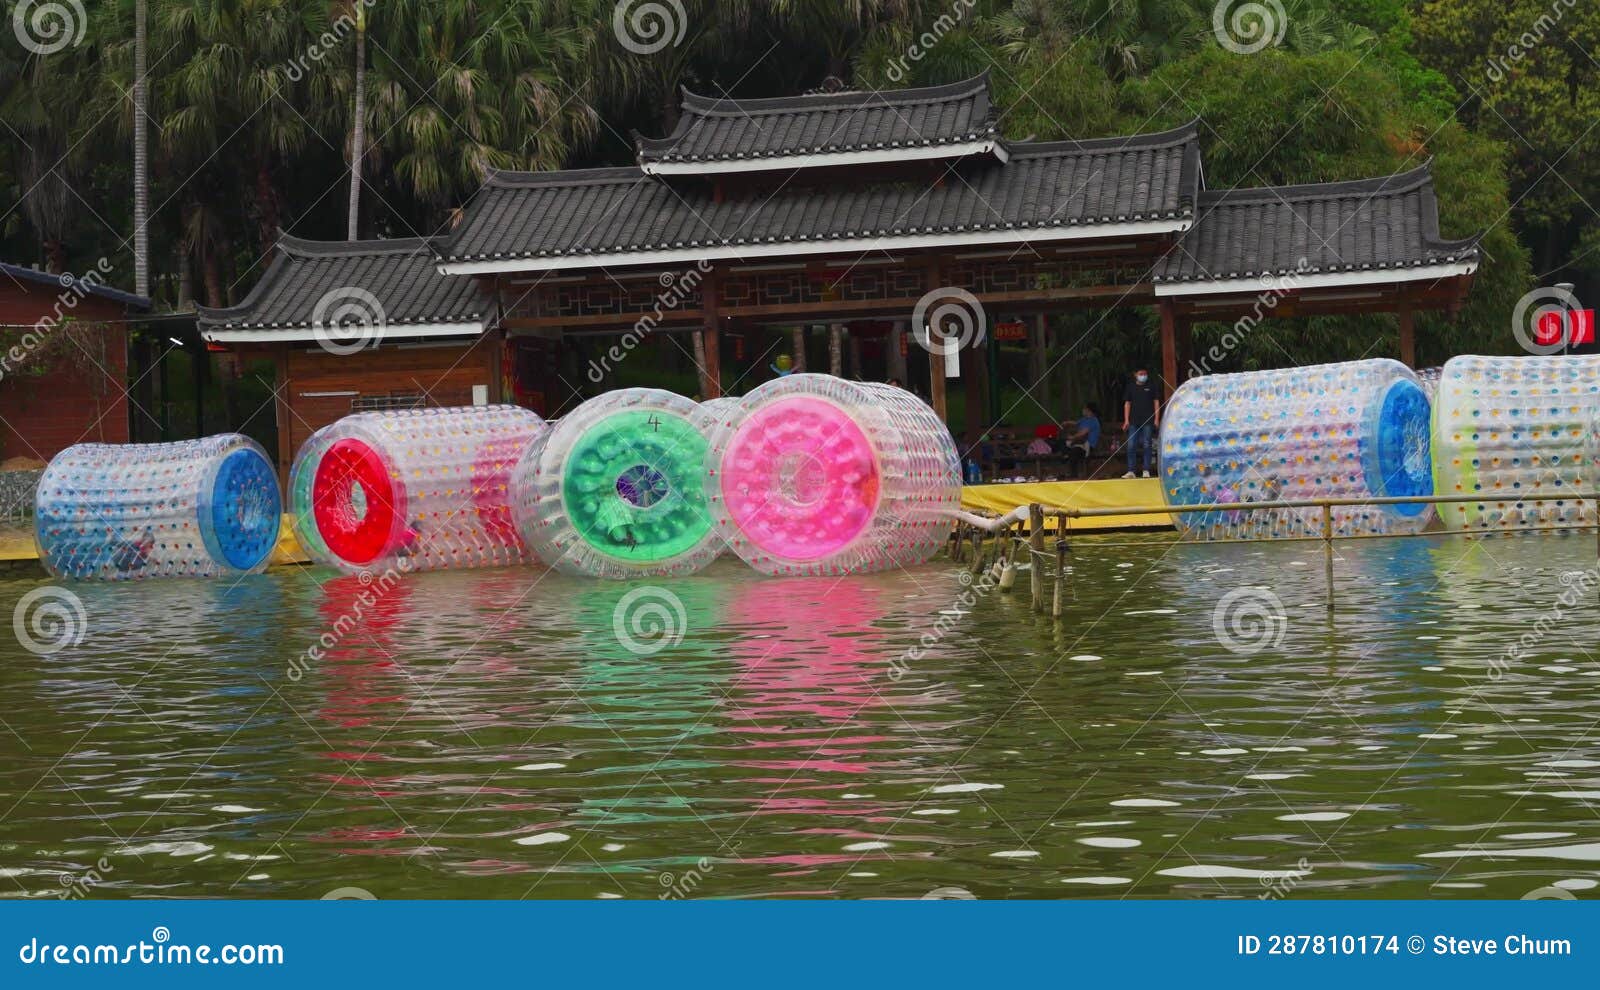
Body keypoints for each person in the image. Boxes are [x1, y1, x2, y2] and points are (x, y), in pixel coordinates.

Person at [1121, 368, 1160, 478]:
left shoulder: (1152, 386)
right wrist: (1126, 420)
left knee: (1147, 444)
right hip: (1133, 420)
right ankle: (1131, 470)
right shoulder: (1130, 387)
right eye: (1140, 374)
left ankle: (1146, 469)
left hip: (1148, 420)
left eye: (1145, 374)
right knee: (1131, 445)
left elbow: (1156, 402)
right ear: (1135, 374)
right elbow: (1127, 404)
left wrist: (1157, 419)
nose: (1143, 375)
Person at [1064, 402, 1101, 479]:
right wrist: (1067, 422)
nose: (1083, 410)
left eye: (1084, 409)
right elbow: (1076, 423)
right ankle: (1066, 460)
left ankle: (1074, 475)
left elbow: (1083, 433)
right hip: (1081, 443)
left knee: (1074, 451)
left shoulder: (1093, 421)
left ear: (1089, 411)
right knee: (1063, 444)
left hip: (1088, 446)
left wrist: (1072, 437)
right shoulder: (1084, 419)